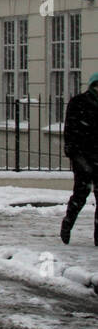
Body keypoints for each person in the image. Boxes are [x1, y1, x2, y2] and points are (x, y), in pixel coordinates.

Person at [61, 72, 98, 245]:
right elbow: (70, 130)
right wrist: (74, 153)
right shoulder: (78, 103)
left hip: (93, 156)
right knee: (80, 194)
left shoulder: (80, 103)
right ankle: (67, 224)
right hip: (83, 157)